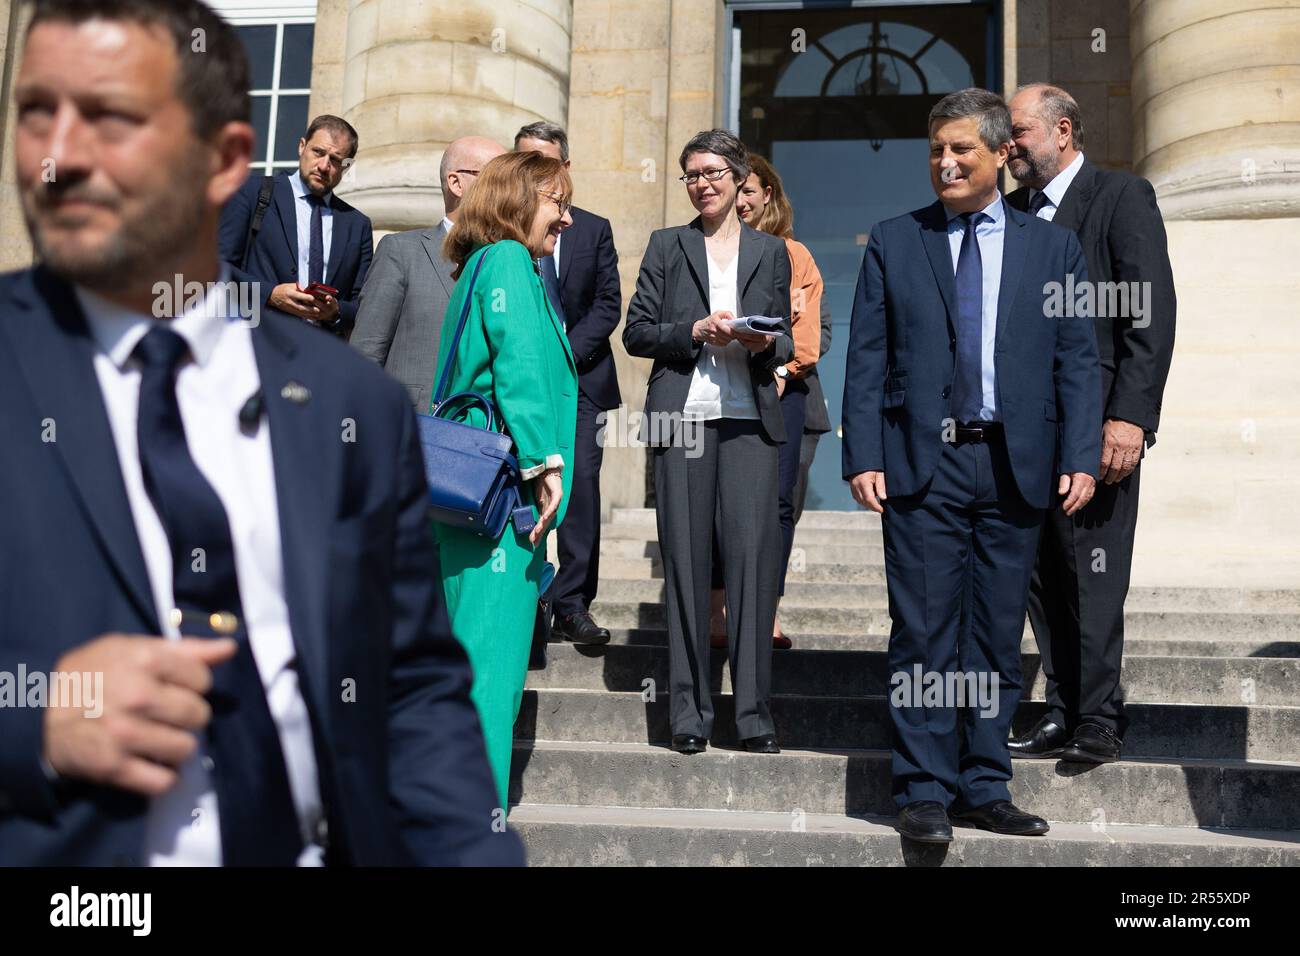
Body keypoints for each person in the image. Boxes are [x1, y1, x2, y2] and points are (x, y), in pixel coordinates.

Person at [0, 0, 520, 866]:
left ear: (226, 161)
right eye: (35, 114)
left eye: (111, 118)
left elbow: (412, 690)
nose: (59, 156)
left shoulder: (357, 404)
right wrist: (34, 722)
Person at [842, 88, 1101, 843]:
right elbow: (867, 357)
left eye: (961, 149)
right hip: (924, 465)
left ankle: (984, 783)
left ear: (1000, 155)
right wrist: (864, 453)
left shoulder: (1051, 247)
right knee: (922, 630)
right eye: (936, 151)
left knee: (993, 634)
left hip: (1015, 467)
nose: (946, 163)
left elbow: (1077, 360)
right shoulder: (896, 239)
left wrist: (1080, 452)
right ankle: (922, 787)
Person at [1005, 83, 1177, 763]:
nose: (1009, 146)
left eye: (1019, 132)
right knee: (1041, 576)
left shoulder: (1120, 199)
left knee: (1094, 573)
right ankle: (1061, 707)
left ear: (1063, 130)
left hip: (1097, 426)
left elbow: (1149, 314)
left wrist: (1130, 417)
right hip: (1023, 433)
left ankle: (1100, 718)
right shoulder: (1010, 212)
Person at [624, 129, 793, 756]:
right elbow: (637, 333)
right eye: (691, 174)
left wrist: (759, 342)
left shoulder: (771, 252)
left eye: (714, 172)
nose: (703, 183)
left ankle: (753, 717)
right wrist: (692, 330)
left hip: (751, 422)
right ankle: (688, 716)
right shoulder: (667, 245)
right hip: (683, 422)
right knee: (688, 570)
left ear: (739, 177)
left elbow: (787, 342)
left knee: (751, 570)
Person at [435, 151, 578, 808]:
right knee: (488, 688)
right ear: (520, 198)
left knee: (472, 677)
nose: (567, 217)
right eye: (557, 201)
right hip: (503, 506)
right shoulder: (511, 263)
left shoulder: (478, 265)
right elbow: (519, 363)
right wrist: (543, 461)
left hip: (473, 509)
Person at [514, 122, 622, 648]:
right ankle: (526, 600)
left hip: (581, 383)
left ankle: (572, 603)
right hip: (521, 385)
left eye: (544, 161)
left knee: (578, 493)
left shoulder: (592, 228)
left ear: (565, 168)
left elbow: (608, 306)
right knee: (524, 486)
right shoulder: (503, 235)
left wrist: (563, 360)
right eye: (524, 160)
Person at [710, 153, 823, 651]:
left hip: (782, 390)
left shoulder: (795, 254)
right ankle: (717, 611)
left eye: (751, 189)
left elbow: (807, 333)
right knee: (716, 501)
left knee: (777, 505)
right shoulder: (709, 247)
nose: (743, 198)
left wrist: (779, 369)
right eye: (737, 188)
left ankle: (763, 614)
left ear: (766, 195)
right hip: (718, 388)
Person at [351, 135, 506, 411]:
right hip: (409, 428)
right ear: (456, 183)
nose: (507, 190)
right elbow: (365, 354)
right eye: (495, 177)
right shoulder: (401, 250)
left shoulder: (506, 263)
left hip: (484, 434)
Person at [218, 114, 374, 338]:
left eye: (336, 160)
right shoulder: (252, 193)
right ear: (302, 146)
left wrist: (335, 311)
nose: (323, 166)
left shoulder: (357, 225)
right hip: (256, 343)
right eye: (318, 152)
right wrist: (270, 294)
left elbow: (363, 305)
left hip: (320, 356)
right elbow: (217, 271)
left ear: (347, 166)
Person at [793, 298, 834, 522]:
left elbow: (822, 334)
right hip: (753, 402)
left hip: (804, 403)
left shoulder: (807, 277)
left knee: (791, 497)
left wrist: (785, 358)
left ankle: (780, 555)